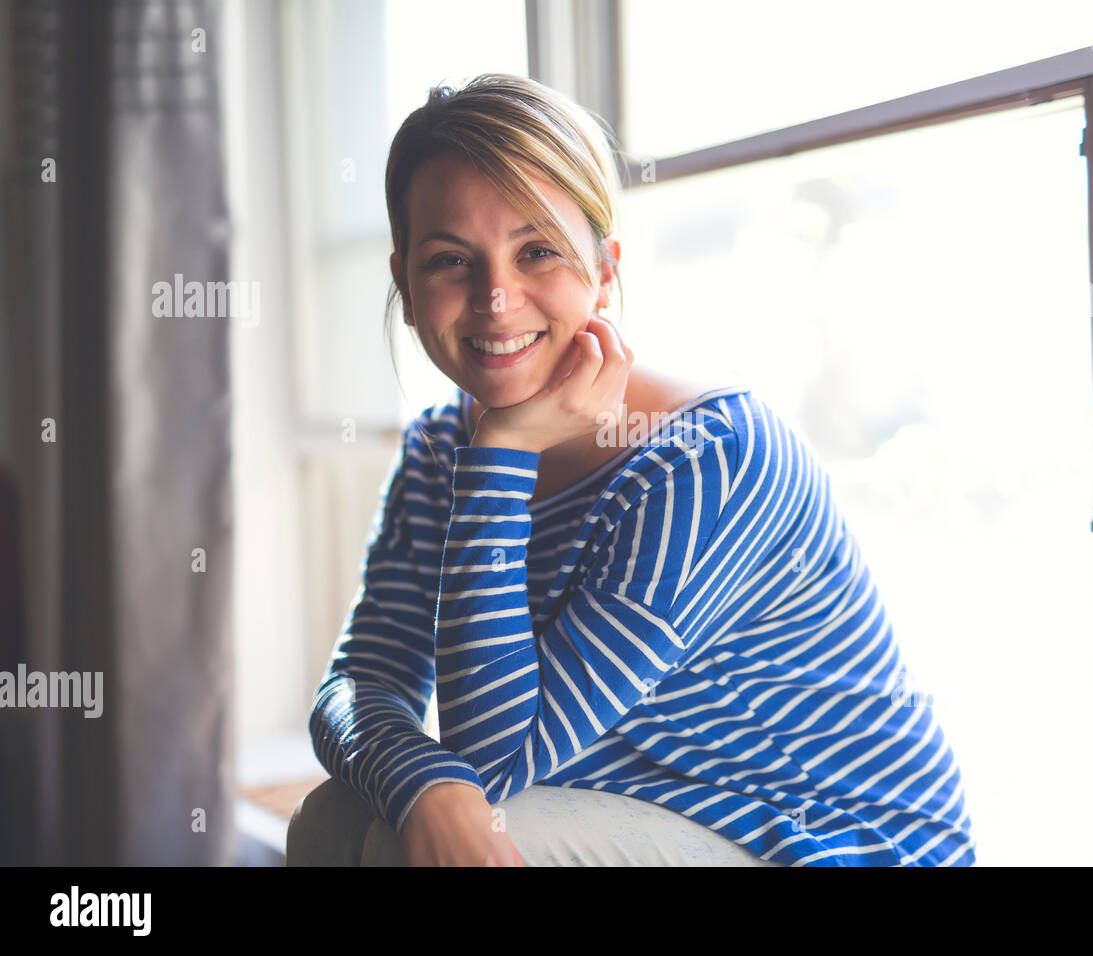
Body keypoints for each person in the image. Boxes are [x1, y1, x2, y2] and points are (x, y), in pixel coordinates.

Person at [288, 73, 976, 867]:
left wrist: (504, 455)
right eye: (450, 260)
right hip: (646, 810)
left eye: (537, 249)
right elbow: (357, 686)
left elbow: (492, 765)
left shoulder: (708, 459)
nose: (497, 298)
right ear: (405, 286)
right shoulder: (442, 447)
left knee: (437, 837)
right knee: (331, 820)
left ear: (604, 272)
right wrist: (421, 783)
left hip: (833, 841)